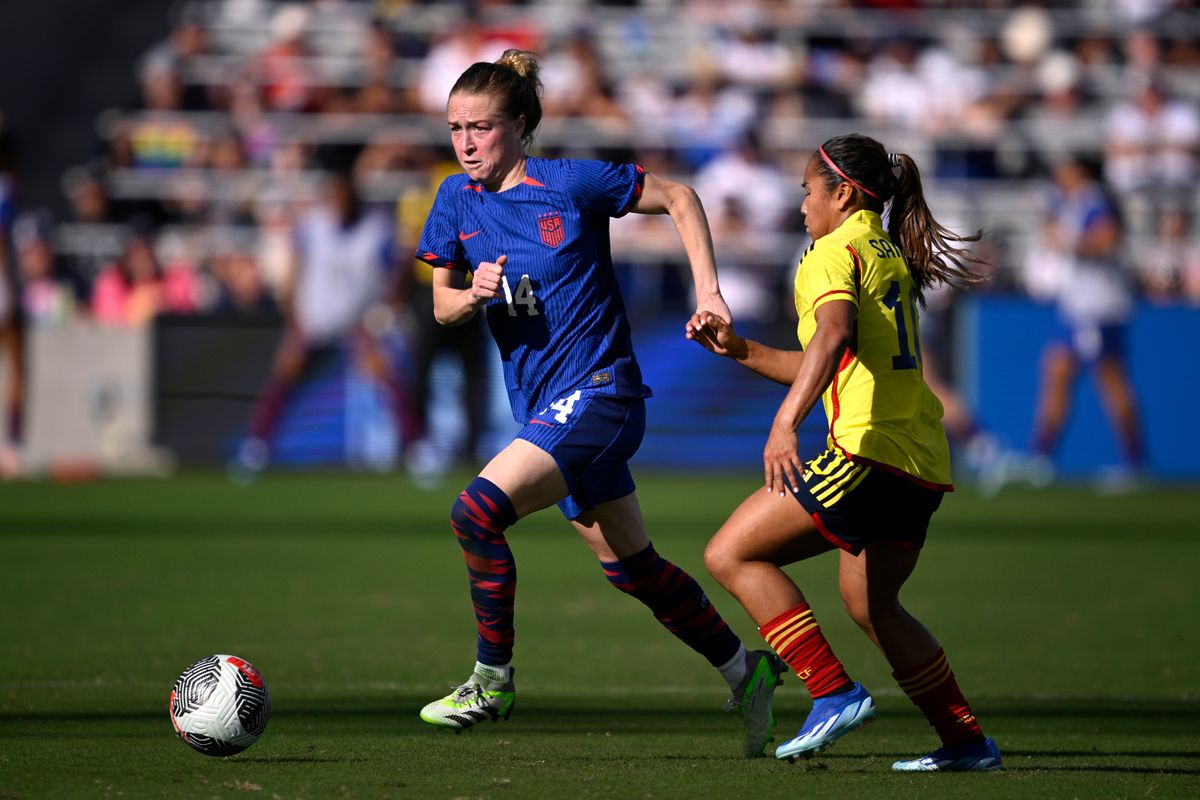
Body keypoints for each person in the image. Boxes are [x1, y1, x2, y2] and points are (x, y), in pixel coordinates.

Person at [414, 50, 785, 758]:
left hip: (602, 394)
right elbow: (442, 309)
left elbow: (680, 197)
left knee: (475, 513)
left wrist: (709, 292)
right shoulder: (453, 201)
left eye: (481, 127)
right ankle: (748, 673)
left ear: (519, 125)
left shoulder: (572, 182)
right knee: (632, 568)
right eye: (456, 127)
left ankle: (491, 679)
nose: (465, 143)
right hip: (544, 408)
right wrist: (473, 293)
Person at [686, 133, 1003, 772]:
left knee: (731, 553)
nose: (802, 206)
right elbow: (825, 356)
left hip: (864, 452)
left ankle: (831, 691)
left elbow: (830, 336)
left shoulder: (833, 250)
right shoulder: (883, 249)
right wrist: (739, 348)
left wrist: (784, 424)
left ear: (842, 193)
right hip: (918, 462)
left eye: (808, 192)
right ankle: (967, 741)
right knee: (872, 606)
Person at [235, 170, 418, 473]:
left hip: (360, 323)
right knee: (284, 378)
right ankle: (257, 446)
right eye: (336, 196)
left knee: (388, 378)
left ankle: (416, 446)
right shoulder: (312, 226)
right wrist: (295, 319)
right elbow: (295, 273)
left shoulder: (376, 227)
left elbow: (398, 269)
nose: (341, 203)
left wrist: (385, 308)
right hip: (316, 320)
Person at [1029, 156, 1145, 491]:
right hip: (1080, 306)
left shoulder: (1093, 197)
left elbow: (1108, 238)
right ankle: (1041, 458)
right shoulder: (1073, 201)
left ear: (1081, 170)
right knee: (1057, 369)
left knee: (1109, 379)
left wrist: (1067, 243)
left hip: (1097, 306)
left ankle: (1134, 463)